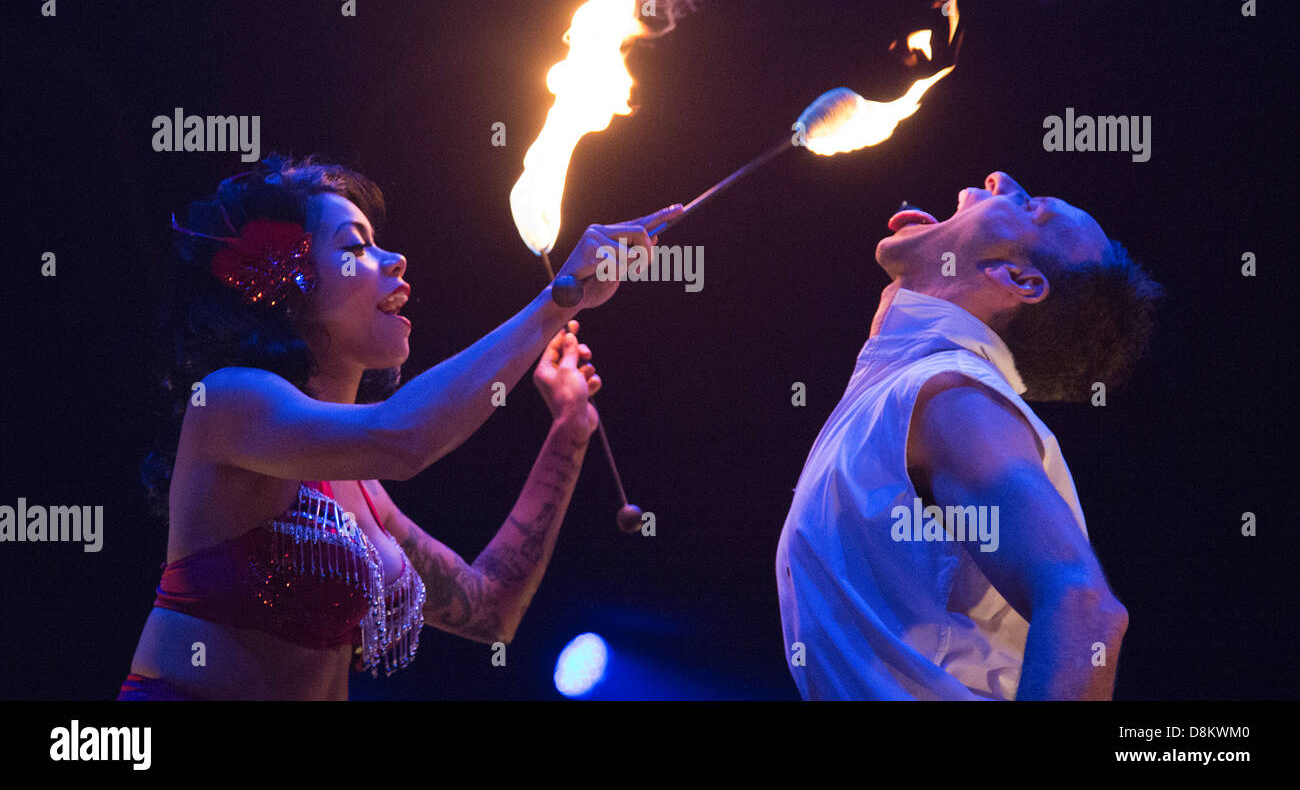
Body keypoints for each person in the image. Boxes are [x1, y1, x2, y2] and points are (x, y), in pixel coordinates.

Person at [119, 155, 682, 699]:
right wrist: (558, 300)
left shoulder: (359, 490)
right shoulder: (229, 399)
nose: (396, 260)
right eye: (356, 246)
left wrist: (570, 429)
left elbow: (489, 611)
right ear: (287, 280)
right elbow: (404, 438)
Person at [775, 171, 1163, 700]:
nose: (999, 179)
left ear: (1018, 278)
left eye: (1030, 208)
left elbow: (1085, 607)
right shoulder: (911, 388)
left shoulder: (949, 394)